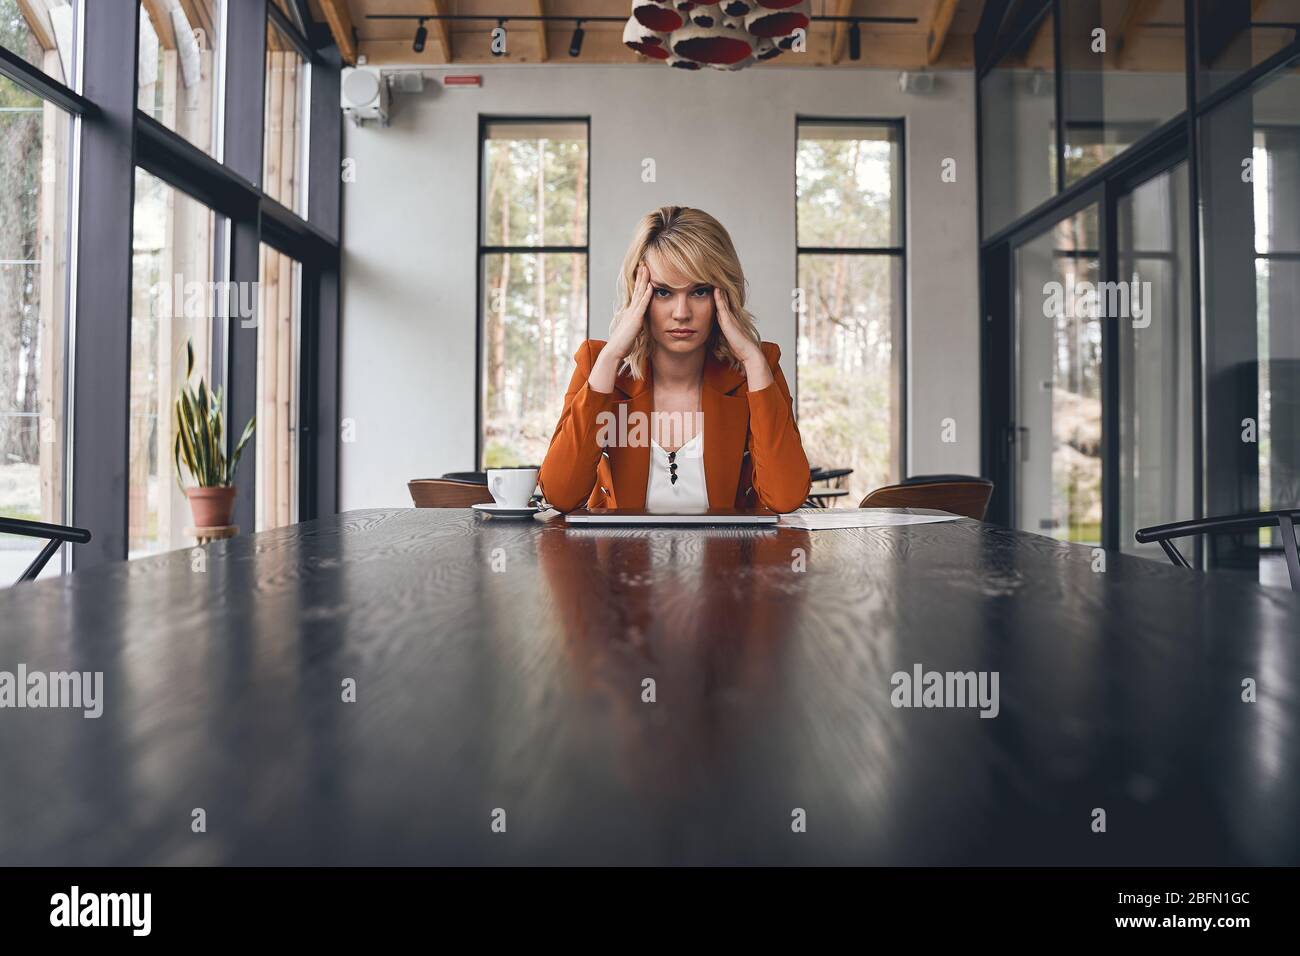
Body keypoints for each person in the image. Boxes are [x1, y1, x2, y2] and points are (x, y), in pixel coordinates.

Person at [539, 205, 811, 513]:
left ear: (725, 294)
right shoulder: (599, 366)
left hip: (726, 560)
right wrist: (612, 356)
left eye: (699, 292)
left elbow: (785, 497)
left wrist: (752, 358)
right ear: (638, 295)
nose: (681, 313)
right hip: (620, 559)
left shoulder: (756, 368)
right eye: (663, 292)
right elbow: (560, 494)